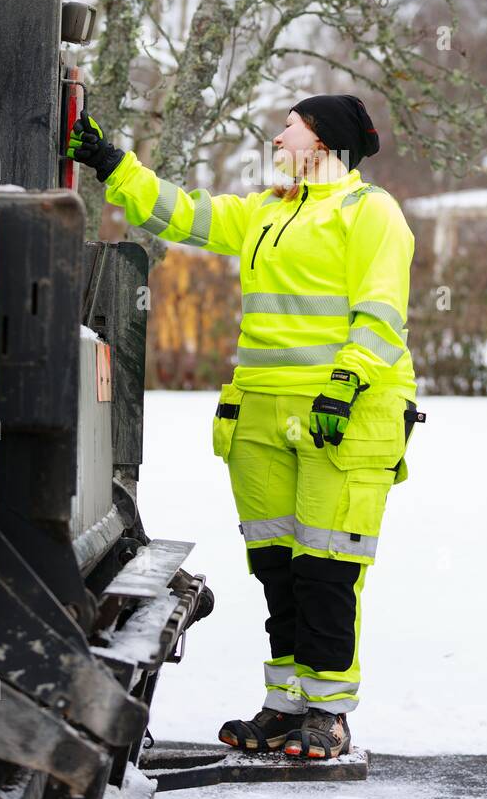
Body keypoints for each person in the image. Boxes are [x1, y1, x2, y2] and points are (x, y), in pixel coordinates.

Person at [67, 94, 424, 760]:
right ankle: (286, 707)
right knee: (279, 570)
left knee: (327, 570)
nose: (279, 136)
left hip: (340, 418)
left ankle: (330, 713)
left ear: (322, 143)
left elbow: (380, 312)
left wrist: (343, 385)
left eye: (291, 126)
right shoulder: (267, 209)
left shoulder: (369, 212)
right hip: (263, 416)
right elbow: (183, 215)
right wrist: (111, 162)